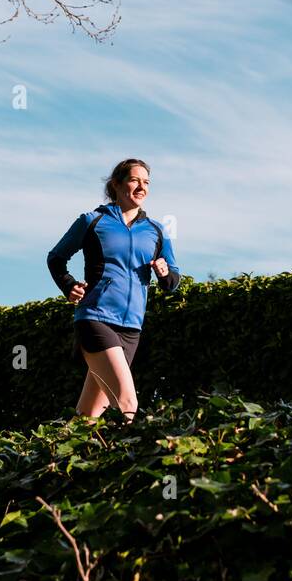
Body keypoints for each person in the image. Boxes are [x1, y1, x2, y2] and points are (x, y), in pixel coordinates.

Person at [47, 158, 180, 422]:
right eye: (134, 180)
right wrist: (69, 285)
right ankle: (135, 461)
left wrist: (164, 274)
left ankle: (49, 459)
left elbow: (173, 283)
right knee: (128, 402)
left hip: (131, 327)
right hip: (96, 318)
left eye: (146, 182)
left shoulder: (156, 230)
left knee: (87, 417)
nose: (141, 187)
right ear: (116, 185)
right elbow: (56, 258)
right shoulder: (92, 221)